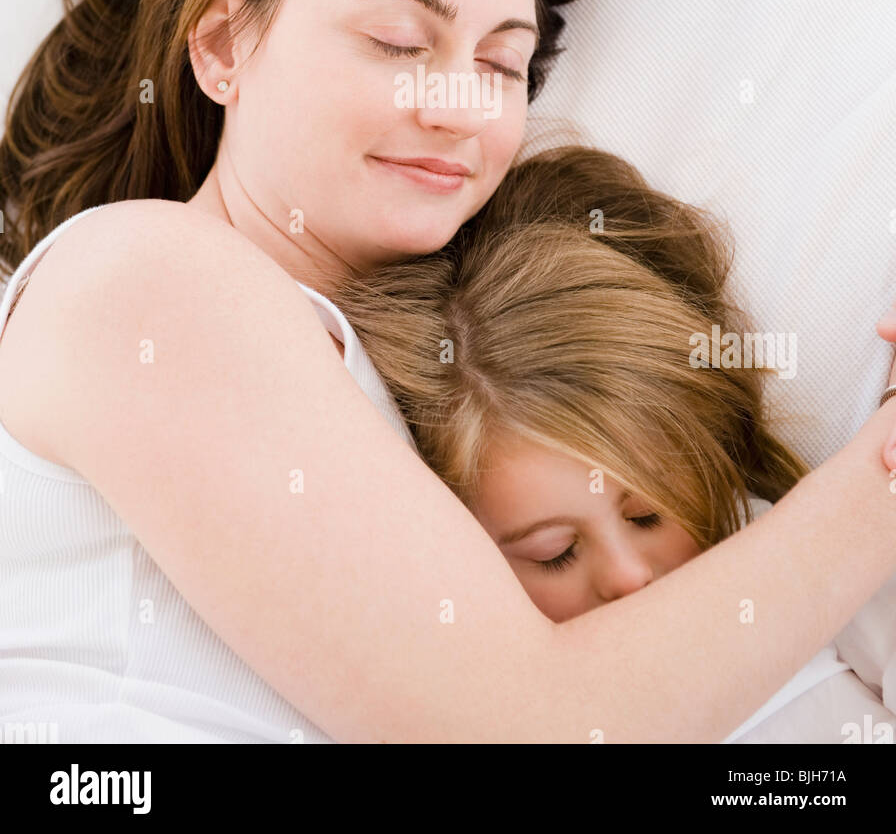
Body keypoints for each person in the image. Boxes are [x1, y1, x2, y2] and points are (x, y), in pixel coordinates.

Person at [0, 0, 895, 745]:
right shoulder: (145, 282)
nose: (458, 106)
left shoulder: (420, 388)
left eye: (500, 63)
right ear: (223, 43)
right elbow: (528, 727)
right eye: (397, 39)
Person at [335, 143, 896, 743]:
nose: (629, 577)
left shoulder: (805, 559)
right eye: (555, 553)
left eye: (649, 514)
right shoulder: (467, 691)